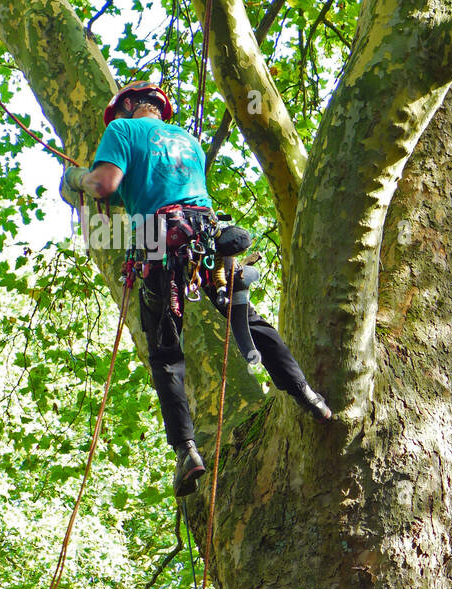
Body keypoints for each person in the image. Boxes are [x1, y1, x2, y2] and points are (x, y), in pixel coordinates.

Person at [59, 81, 331, 497]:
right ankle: (305, 392)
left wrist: (75, 178)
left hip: (156, 234)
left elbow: (105, 185)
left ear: (129, 105)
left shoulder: (122, 131)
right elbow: (155, 188)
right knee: (245, 315)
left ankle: (187, 450)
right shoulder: (187, 141)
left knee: (166, 352)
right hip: (204, 231)